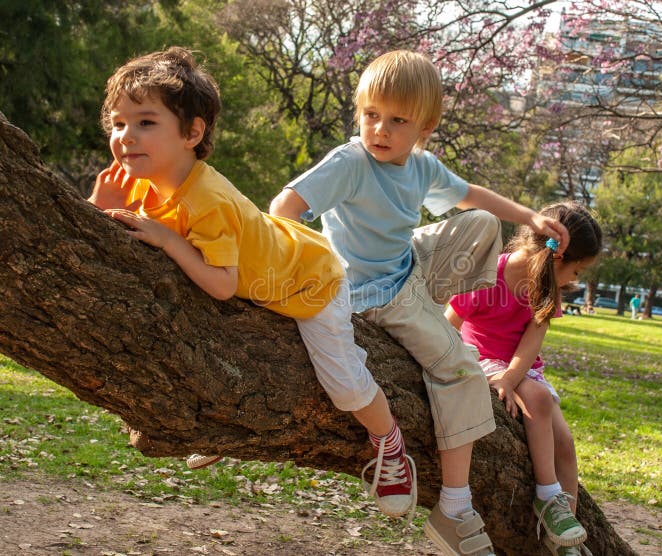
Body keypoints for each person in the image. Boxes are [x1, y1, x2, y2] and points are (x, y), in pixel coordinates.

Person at [87, 47, 418, 521]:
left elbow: (221, 285)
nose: (125, 137)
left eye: (145, 122)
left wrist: (165, 240)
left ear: (192, 133)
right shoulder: (140, 181)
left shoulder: (206, 199)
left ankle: (390, 445)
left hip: (308, 280)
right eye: (118, 123)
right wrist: (98, 207)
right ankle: (228, 433)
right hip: (262, 274)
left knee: (343, 384)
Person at [270, 50, 570, 556]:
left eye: (397, 120)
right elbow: (284, 209)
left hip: (408, 268)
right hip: (373, 294)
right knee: (461, 368)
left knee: (479, 223)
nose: (380, 130)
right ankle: (455, 506)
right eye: (371, 115)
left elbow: (471, 194)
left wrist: (530, 217)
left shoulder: (420, 166)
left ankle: (427, 315)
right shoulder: (351, 161)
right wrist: (297, 266)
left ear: (425, 127)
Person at [445, 201, 600, 556]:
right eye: (578, 271)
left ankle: (564, 539)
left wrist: (512, 379)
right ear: (560, 258)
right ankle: (547, 496)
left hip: (521, 367)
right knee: (540, 400)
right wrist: (460, 371)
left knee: (565, 442)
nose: (576, 280)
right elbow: (446, 323)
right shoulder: (486, 275)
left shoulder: (546, 287)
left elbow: (533, 339)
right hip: (481, 361)